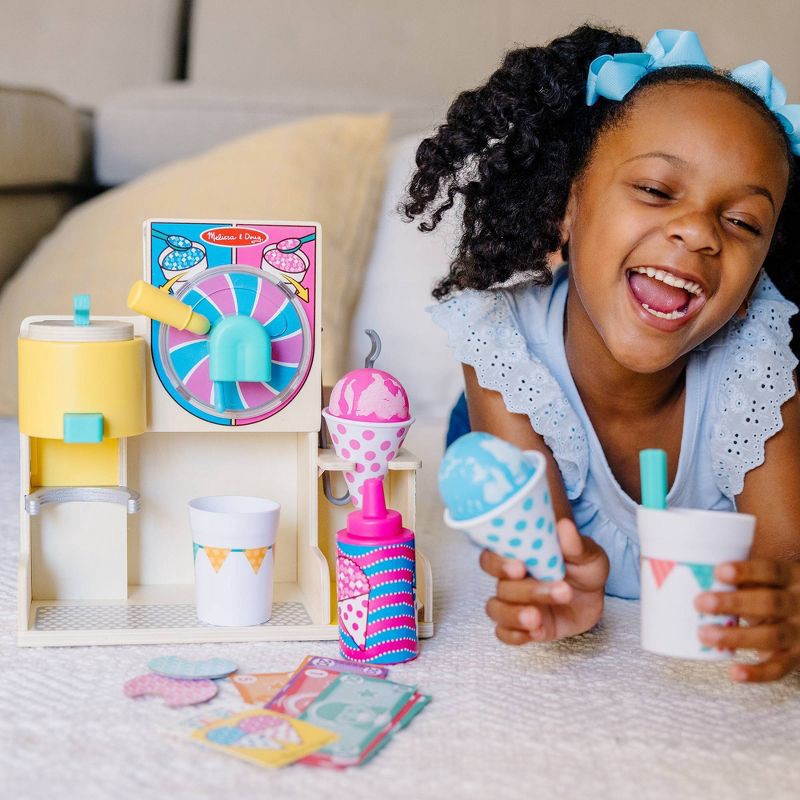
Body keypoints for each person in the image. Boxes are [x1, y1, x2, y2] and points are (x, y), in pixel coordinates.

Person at [404, 26, 800, 682]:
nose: (699, 231)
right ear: (567, 207)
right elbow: (552, 564)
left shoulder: (757, 363)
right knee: (475, 454)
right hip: (526, 397)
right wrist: (562, 586)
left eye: (742, 222)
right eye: (656, 190)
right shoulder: (501, 346)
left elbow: (785, 561)